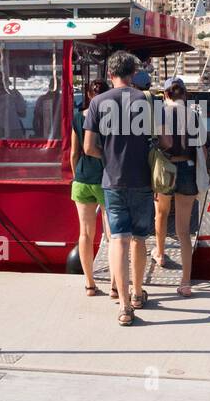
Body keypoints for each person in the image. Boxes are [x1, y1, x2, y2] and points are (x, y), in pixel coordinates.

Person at [84, 51, 154, 326]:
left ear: (110, 74)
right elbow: (163, 140)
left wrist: (108, 157)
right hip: (142, 179)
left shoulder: (97, 102)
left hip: (112, 180)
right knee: (139, 239)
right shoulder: (146, 100)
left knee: (118, 239)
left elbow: (88, 147)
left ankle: (124, 306)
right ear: (133, 73)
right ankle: (137, 293)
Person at [154, 76, 198, 297]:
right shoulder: (193, 115)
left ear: (165, 94)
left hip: (166, 169)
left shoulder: (160, 113)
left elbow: (160, 142)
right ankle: (186, 282)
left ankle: (160, 254)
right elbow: (202, 146)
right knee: (184, 231)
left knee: (161, 213)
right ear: (185, 94)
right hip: (188, 169)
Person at [70, 79, 108, 297]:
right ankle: (115, 286)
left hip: (83, 178)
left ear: (88, 95)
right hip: (105, 178)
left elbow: (74, 153)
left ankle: (90, 284)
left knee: (85, 233)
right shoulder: (110, 119)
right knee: (112, 235)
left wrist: (77, 175)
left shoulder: (78, 117)